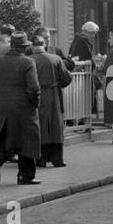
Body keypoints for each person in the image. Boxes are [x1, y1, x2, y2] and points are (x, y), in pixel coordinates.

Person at [0, 31, 42, 185]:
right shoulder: (28, 62)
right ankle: (25, 176)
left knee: (6, 136)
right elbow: (34, 87)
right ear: (24, 47)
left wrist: (0, 98)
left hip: (3, 106)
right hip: (24, 106)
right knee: (28, 139)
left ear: (11, 46)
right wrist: (34, 103)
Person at [30, 31, 72, 168]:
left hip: (36, 95)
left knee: (40, 126)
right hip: (54, 94)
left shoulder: (28, 60)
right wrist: (57, 83)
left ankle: (41, 159)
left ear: (32, 46)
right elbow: (67, 78)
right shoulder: (55, 59)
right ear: (43, 44)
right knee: (55, 126)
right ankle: (57, 159)